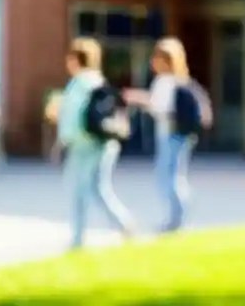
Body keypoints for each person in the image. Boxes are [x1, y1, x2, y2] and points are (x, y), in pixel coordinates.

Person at [124, 37, 212, 233]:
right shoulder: (184, 81)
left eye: (156, 57)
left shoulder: (164, 81)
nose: (153, 61)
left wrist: (139, 100)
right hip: (184, 134)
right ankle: (179, 215)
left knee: (168, 176)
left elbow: (159, 107)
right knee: (176, 174)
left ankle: (178, 218)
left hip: (169, 133)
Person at [56, 37, 137, 249]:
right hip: (99, 142)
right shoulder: (98, 81)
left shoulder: (81, 83)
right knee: (99, 189)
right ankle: (124, 224)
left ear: (75, 59)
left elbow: (73, 117)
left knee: (80, 191)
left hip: (86, 143)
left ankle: (78, 239)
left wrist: (62, 140)